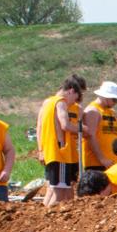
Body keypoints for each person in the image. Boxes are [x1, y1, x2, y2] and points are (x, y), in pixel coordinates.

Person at [37, 75, 84, 205]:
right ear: (71, 91)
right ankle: (50, 215)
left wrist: (41, 149)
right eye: (75, 98)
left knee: (60, 189)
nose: (74, 102)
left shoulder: (48, 102)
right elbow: (65, 125)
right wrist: (82, 129)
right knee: (59, 193)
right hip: (61, 150)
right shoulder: (61, 102)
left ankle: (46, 213)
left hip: (51, 148)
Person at [80, 81, 117, 172]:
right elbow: (90, 136)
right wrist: (102, 159)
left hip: (113, 162)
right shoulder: (93, 111)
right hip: (96, 164)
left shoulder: (113, 112)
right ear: (105, 96)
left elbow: (115, 136)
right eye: (114, 99)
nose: (116, 102)